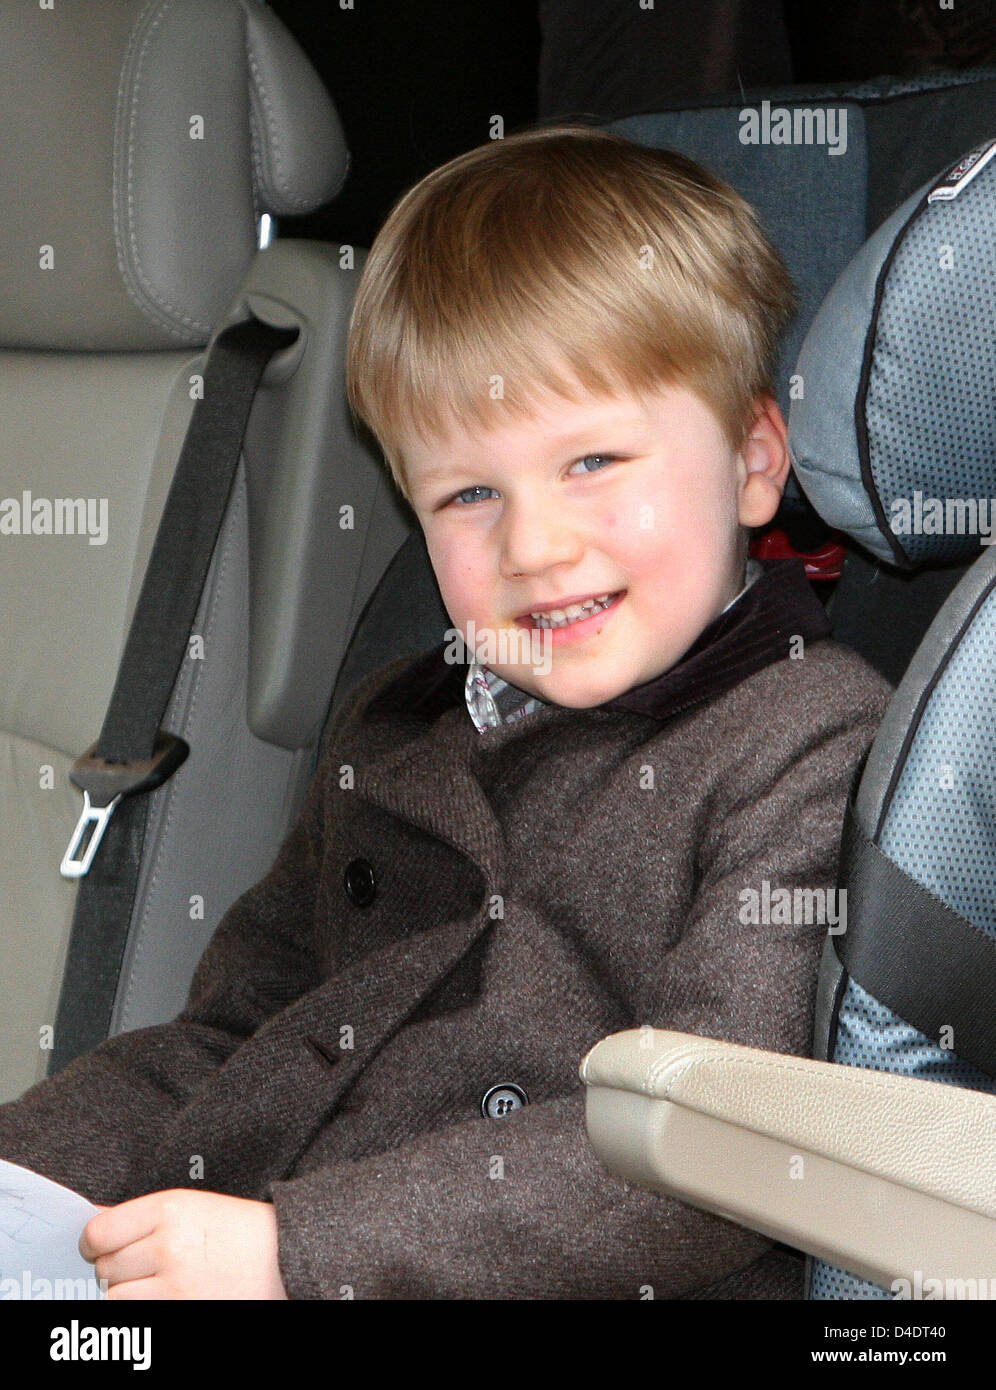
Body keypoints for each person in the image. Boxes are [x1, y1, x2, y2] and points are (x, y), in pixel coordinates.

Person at [0, 124, 892, 1299]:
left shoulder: (811, 744)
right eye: (470, 491)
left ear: (753, 460)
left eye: (593, 462)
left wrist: (302, 1253)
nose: (535, 544)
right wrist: (28, 1164)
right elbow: (239, 1034)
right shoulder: (396, 723)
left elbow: (719, 1153)